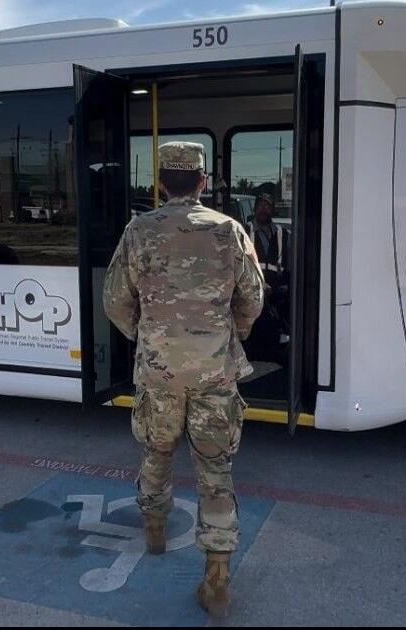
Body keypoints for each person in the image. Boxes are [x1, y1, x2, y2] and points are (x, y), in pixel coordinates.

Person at [103, 141, 265, 618]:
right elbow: (253, 299)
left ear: (159, 183)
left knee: (156, 452)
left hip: (159, 372)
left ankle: (154, 532)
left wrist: (148, 334)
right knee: (215, 469)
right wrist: (229, 333)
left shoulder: (138, 231)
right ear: (202, 181)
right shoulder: (228, 230)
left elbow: (114, 300)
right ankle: (217, 578)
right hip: (214, 372)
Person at [244, 193, 290, 363]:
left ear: (273, 210)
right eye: (260, 206)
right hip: (251, 285)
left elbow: (290, 265)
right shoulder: (245, 230)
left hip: (277, 288)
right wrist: (260, 285)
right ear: (255, 209)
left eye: (267, 206)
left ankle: (281, 340)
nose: (263, 209)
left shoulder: (282, 233)